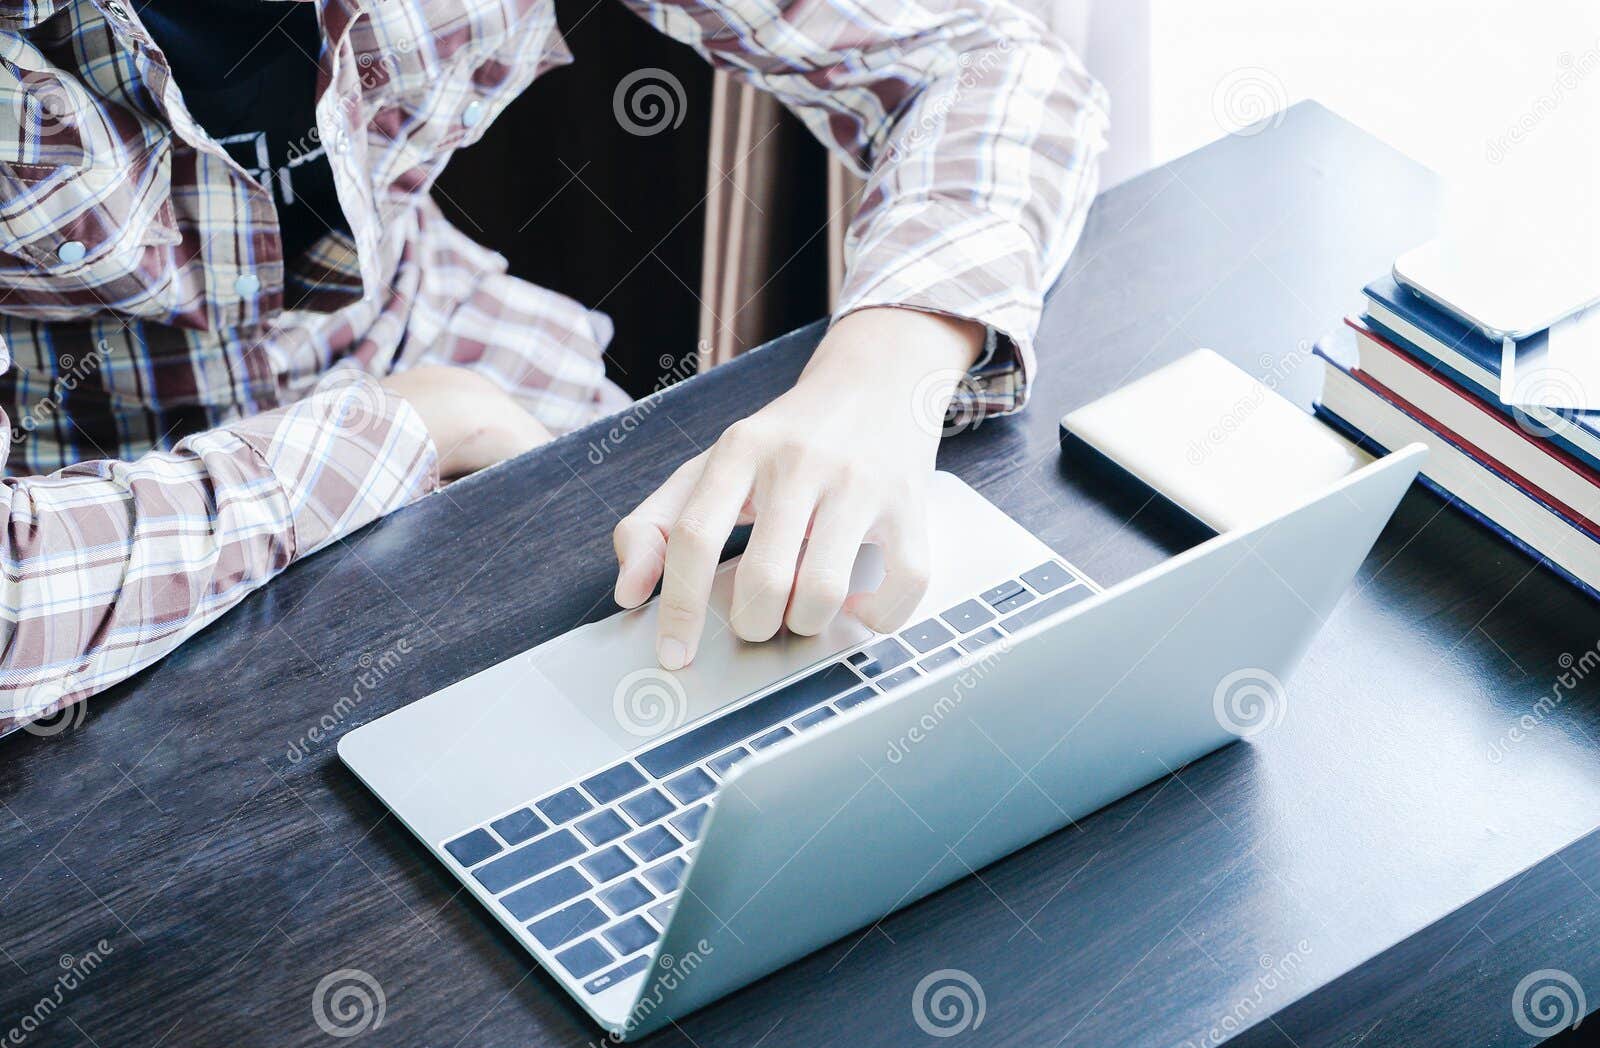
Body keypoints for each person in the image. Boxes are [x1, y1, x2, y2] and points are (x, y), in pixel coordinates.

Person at [0, 0, 1107, 737]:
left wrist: (883, 371)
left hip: (475, 389)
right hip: (97, 575)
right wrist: (401, 429)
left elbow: (981, 56)